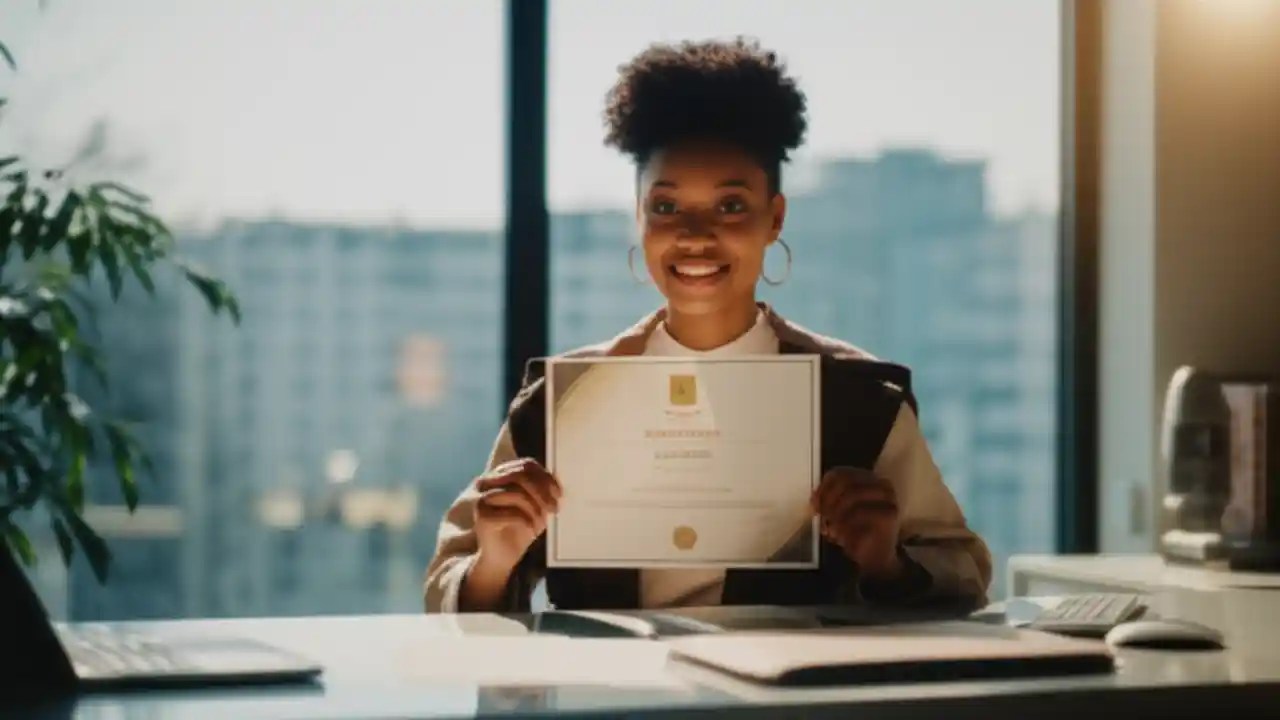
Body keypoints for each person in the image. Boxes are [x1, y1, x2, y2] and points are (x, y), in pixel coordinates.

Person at [425, 37, 991, 613]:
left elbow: (963, 572)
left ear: (775, 218)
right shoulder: (560, 402)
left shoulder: (861, 401)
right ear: (639, 216)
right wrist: (495, 558)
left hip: (788, 701)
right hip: (611, 695)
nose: (695, 234)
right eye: (667, 207)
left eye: (730, 206)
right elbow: (452, 581)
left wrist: (887, 561)